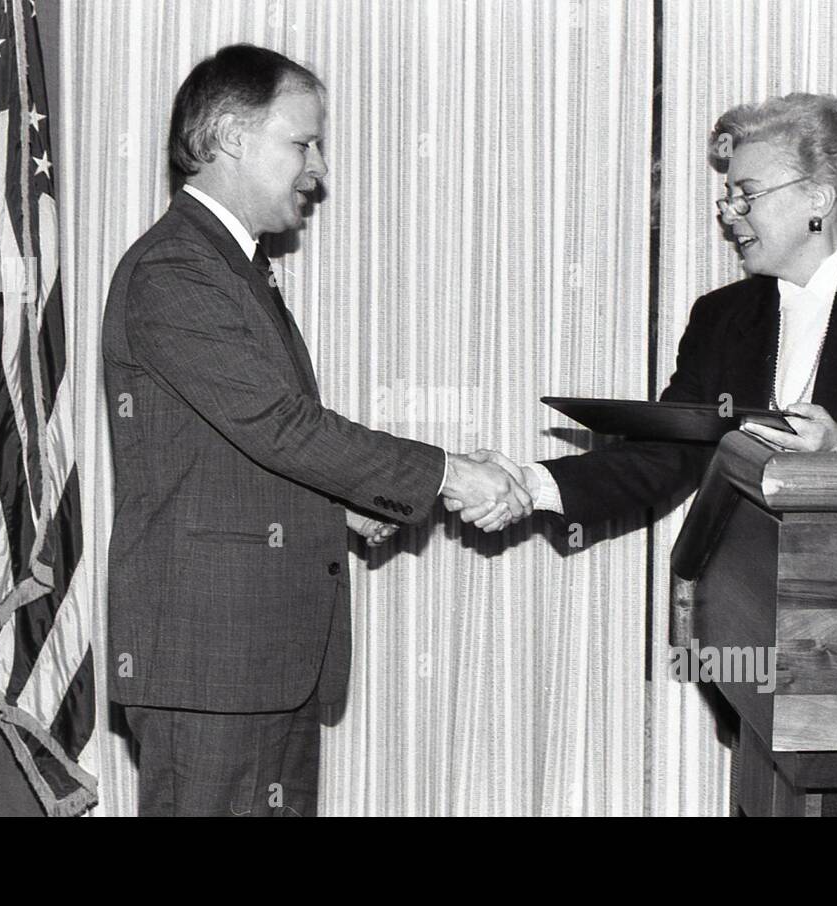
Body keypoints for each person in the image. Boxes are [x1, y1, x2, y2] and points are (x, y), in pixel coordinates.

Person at [102, 44, 528, 816]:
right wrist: (450, 474)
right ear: (230, 135)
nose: (318, 169)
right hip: (215, 662)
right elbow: (279, 425)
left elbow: (235, 453)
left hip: (260, 657)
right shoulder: (176, 270)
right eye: (302, 142)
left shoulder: (231, 268)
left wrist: (337, 508)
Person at [470, 93, 837, 529]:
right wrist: (529, 483)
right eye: (727, 197)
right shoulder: (720, 316)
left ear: (819, 199)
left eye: (747, 195)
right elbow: (666, 455)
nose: (729, 215)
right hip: (745, 588)